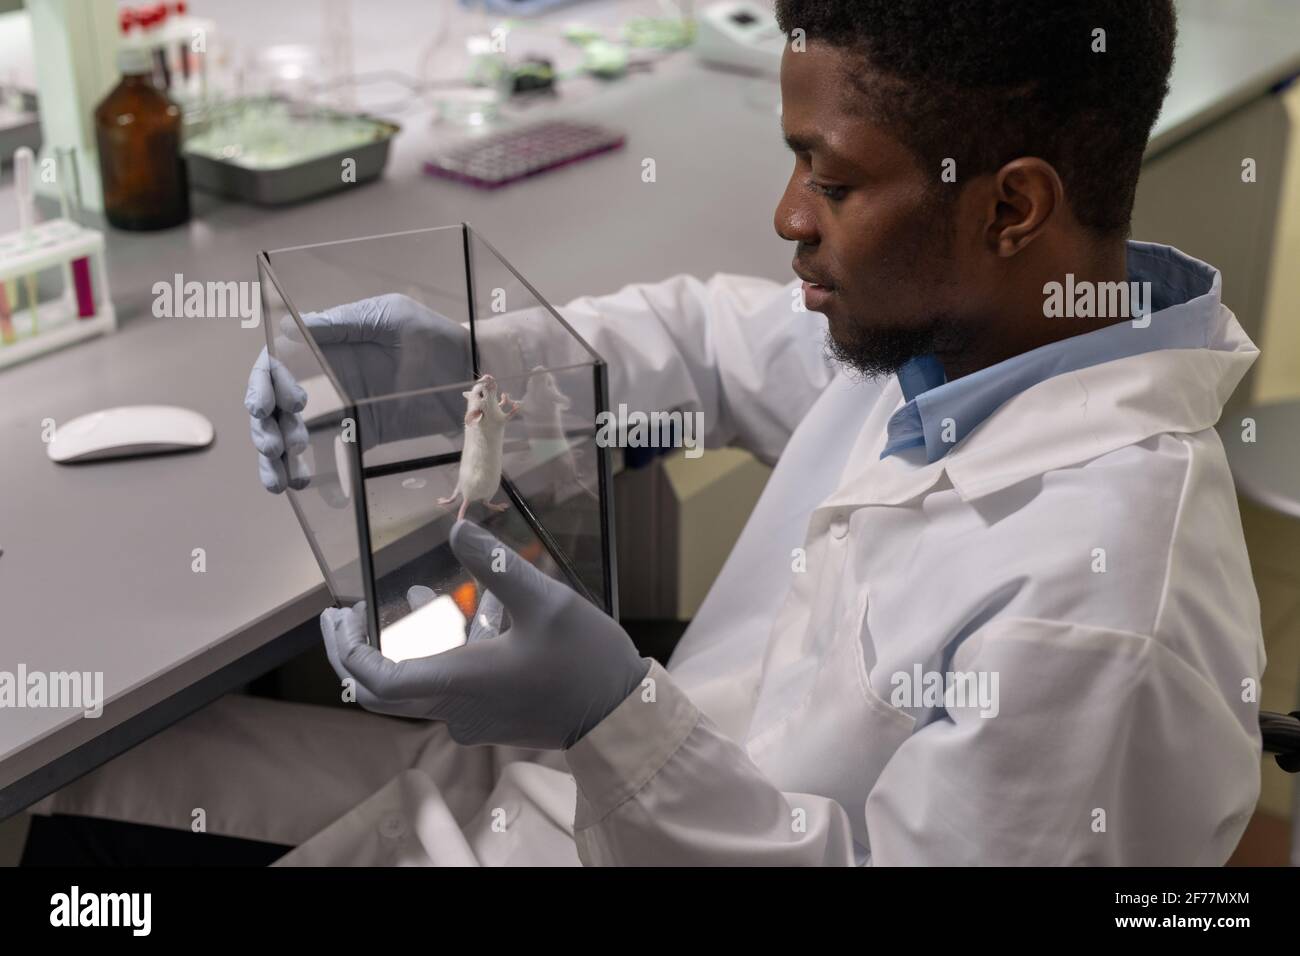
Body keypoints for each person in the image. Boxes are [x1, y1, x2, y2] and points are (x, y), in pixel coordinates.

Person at [26, 0, 1264, 865]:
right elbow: (719, 340)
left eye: (830, 180)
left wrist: (610, 716)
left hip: (628, 819)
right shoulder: (982, 337)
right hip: (563, 798)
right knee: (81, 790)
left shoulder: (1096, 620)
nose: (787, 215)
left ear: (1012, 206)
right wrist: (469, 362)